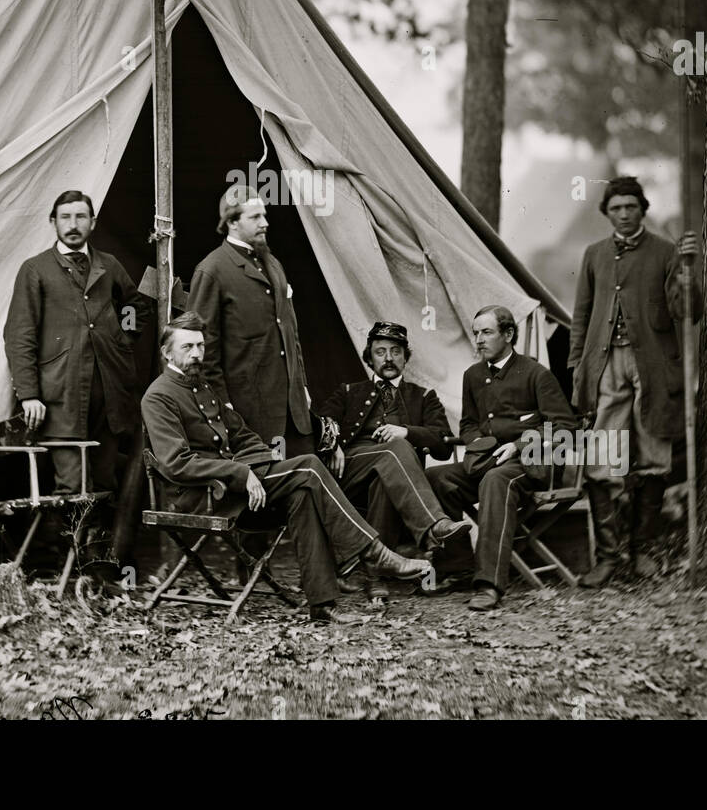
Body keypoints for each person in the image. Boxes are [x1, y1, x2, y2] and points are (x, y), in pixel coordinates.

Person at [142, 312, 433, 623]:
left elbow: (242, 436)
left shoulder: (204, 387)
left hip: (237, 491)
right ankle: (375, 554)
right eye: (187, 347)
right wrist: (242, 473)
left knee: (302, 494)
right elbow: (177, 463)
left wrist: (260, 465)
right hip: (204, 497)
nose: (197, 354)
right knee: (307, 468)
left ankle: (323, 606)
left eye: (200, 346)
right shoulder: (159, 396)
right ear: (166, 352)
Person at [569, 175, 701, 586]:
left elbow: (689, 312)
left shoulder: (665, 252)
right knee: (602, 460)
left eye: (630, 206)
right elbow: (582, 315)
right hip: (605, 366)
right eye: (616, 208)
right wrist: (578, 364)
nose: (624, 214)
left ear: (642, 209)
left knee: (653, 458)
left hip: (654, 369)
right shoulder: (594, 255)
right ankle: (608, 558)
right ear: (606, 214)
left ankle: (643, 552)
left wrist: (688, 271)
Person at [426, 305, 577, 611]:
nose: (479, 340)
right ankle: (458, 568)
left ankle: (488, 584)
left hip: (534, 464)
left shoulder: (536, 374)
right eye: (476, 333)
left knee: (497, 481)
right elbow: (468, 424)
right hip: (488, 460)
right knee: (437, 478)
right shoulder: (473, 375)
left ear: (508, 335)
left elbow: (565, 429)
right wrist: (481, 445)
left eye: (487, 332)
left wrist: (519, 446)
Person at [3, 189, 151, 495]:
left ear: (93, 222)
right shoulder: (35, 269)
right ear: (52, 222)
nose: (73, 224)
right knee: (71, 487)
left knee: (104, 485)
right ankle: (71, 543)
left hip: (108, 394)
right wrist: (29, 393)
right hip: (62, 395)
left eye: (80, 217)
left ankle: (95, 544)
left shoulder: (108, 265)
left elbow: (137, 306)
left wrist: (120, 337)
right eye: (65, 217)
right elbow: (19, 335)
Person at [317, 321, 466, 601]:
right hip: (350, 472)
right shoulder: (349, 392)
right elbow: (322, 423)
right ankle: (434, 526)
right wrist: (332, 442)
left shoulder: (423, 396)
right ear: (369, 357)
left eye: (396, 351)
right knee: (393, 450)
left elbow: (444, 445)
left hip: (394, 481)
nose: (388, 358)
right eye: (380, 351)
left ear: (405, 357)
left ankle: (376, 577)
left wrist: (408, 432)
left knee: (386, 476)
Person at [188, 184, 313, 460]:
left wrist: (301, 386)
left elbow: (291, 334)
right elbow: (200, 350)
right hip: (251, 416)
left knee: (305, 485)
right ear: (231, 222)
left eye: (264, 216)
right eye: (255, 217)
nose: (265, 223)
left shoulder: (274, 265)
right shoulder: (212, 271)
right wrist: (223, 407)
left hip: (293, 414)